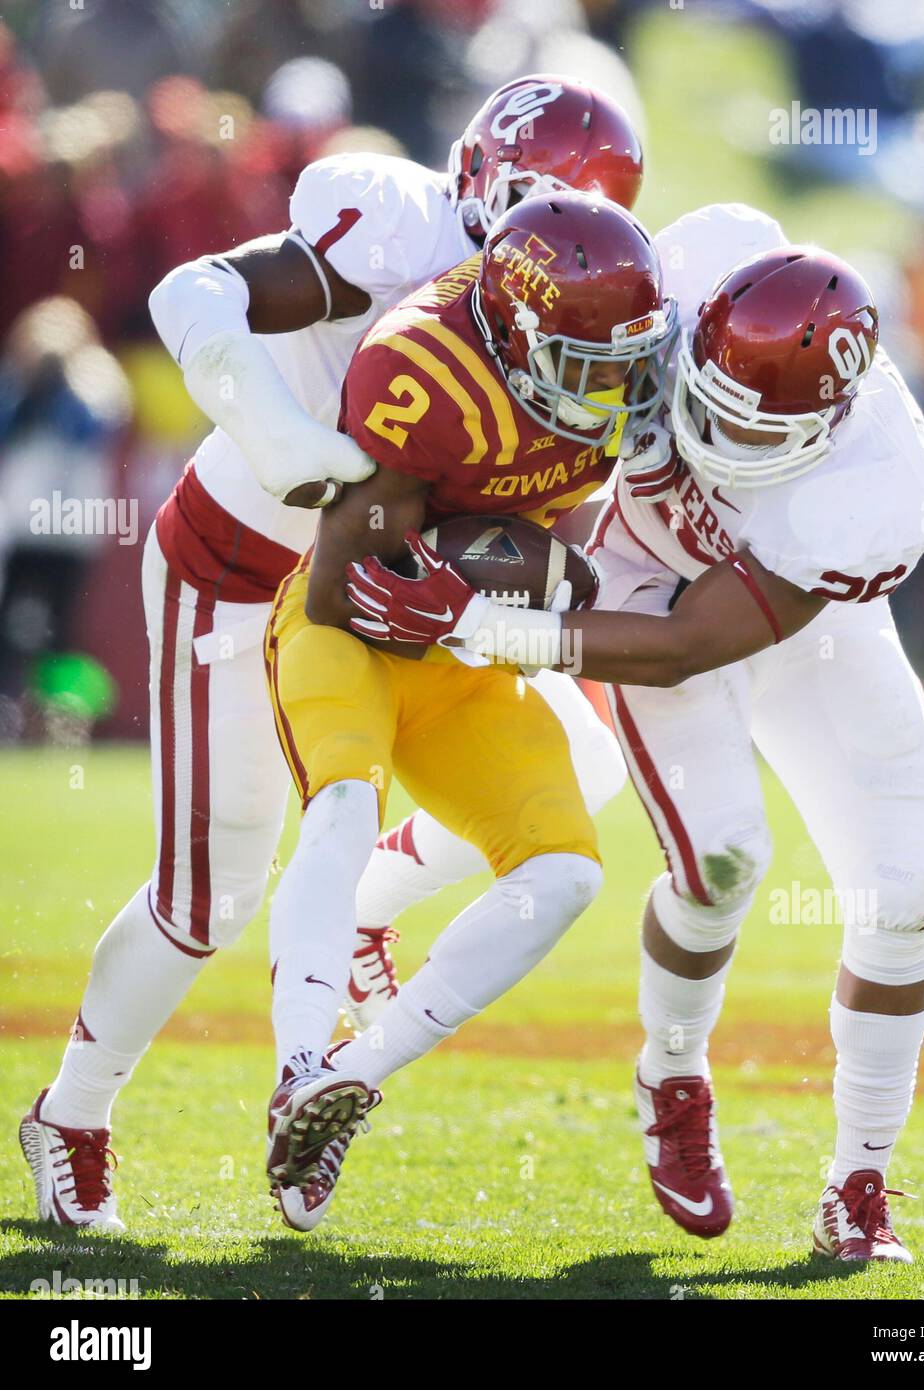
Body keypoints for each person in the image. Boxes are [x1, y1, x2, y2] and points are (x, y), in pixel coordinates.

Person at [19, 76, 641, 1233]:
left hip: (402, 596)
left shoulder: (580, 313)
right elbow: (191, 289)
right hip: (248, 573)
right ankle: (73, 1110)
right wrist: (278, 431)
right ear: (479, 185)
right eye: (534, 208)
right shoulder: (397, 230)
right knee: (210, 894)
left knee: (589, 767)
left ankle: (357, 925)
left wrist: (525, 584)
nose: (546, 245)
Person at [349, 204, 924, 1264]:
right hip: (641, 571)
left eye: (755, 431)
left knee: (901, 897)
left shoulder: (873, 492)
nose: (718, 441)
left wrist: (490, 627)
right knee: (724, 863)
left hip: (788, 616)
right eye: (703, 401)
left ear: (828, 423)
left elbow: (690, 646)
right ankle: (674, 1072)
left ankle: (860, 1178)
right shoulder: (697, 260)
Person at [263, 190, 675, 1230]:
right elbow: (337, 581)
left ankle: (349, 1077)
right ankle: (298, 1060)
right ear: (516, 330)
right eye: (585, 361)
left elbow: (566, 554)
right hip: (353, 627)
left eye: (623, 359)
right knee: (343, 811)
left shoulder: (613, 371)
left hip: (462, 654)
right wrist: (472, 579)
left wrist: (530, 580)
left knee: (568, 870)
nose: (612, 387)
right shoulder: (419, 369)